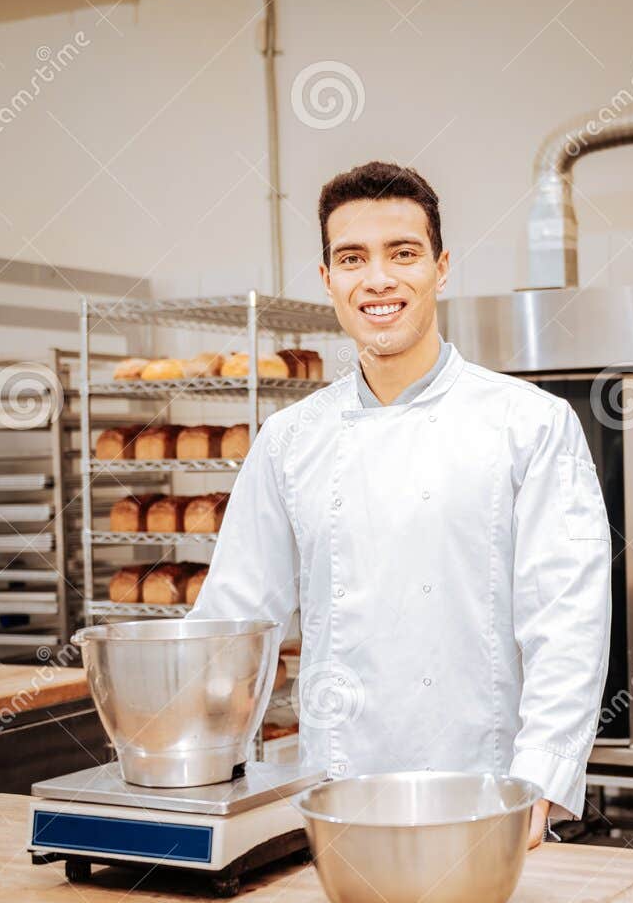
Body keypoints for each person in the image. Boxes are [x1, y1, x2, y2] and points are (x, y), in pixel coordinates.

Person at [190, 160, 611, 847]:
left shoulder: (529, 424)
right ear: (328, 280)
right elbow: (233, 624)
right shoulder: (289, 440)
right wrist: (195, 764)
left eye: (402, 253)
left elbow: (567, 625)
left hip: (487, 801)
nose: (378, 279)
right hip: (330, 800)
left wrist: (537, 784)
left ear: (441, 268)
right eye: (353, 258)